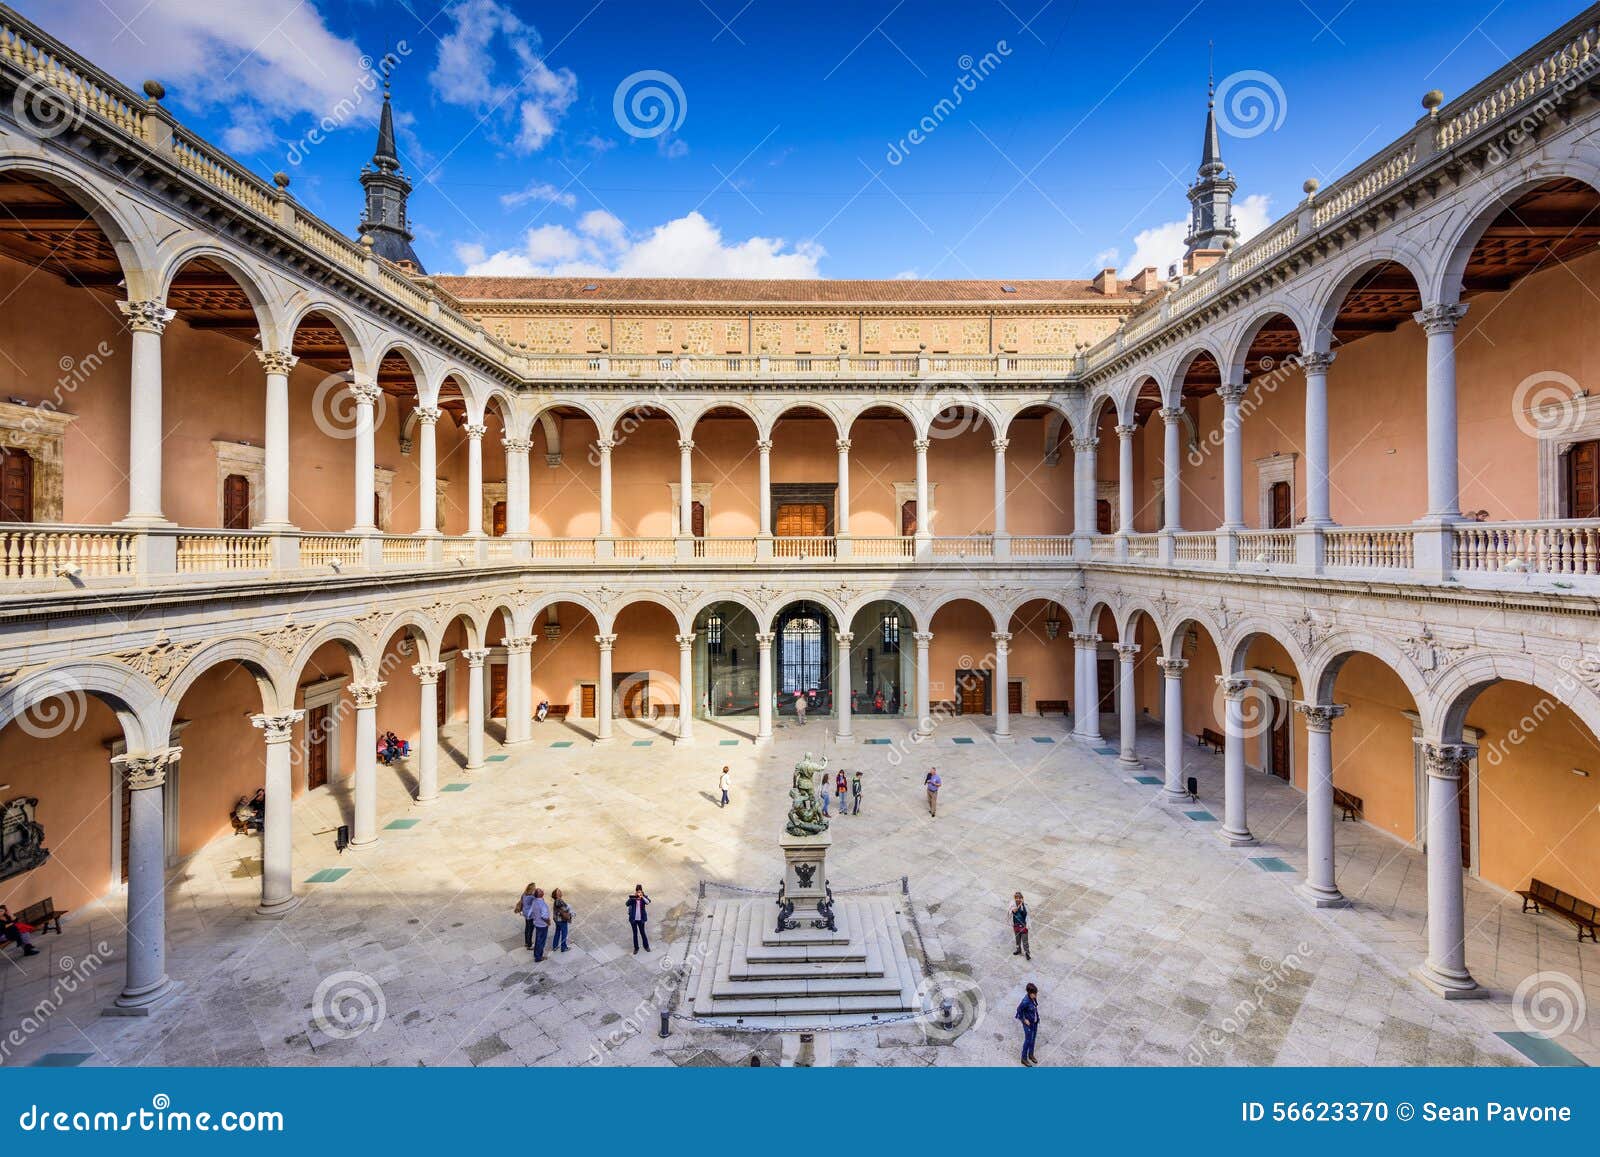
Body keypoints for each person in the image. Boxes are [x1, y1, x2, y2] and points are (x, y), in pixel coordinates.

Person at [1015, 982, 1040, 1066]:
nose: (1036, 995)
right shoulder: (1025, 1001)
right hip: (1028, 1024)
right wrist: (1024, 1019)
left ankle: (1031, 1054)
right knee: (1028, 1040)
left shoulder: (1033, 998)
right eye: (1034, 994)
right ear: (1030, 993)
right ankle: (1024, 1058)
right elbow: (1019, 1010)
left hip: (1034, 1022)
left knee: (1033, 1039)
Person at [513, 883, 540, 952]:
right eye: (534, 888)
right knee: (530, 930)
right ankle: (529, 945)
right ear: (532, 889)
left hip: (525, 913)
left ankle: (526, 942)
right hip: (530, 914)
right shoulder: (531, 897)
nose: (535, 889)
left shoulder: (524, 894)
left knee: (527, 928)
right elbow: (538, 900)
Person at [626, 884, 651, 953]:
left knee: (643, 933)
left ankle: (646, 946)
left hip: (641, 919)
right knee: (635, 933)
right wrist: (632, 898)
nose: (638, 893)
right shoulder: (633, 898)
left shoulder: (644, 898)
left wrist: (642, 897)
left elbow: (648, 902)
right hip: (633, 919)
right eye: (638, 892)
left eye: (640, 892)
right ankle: (636, 948)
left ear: (642, 892)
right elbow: (627, 904)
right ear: (636, 892)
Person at [529, 888, 552, 961]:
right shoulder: (542, 904)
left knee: (538, 940)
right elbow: (544, 916)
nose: (542, 891)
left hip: (537, 924)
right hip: (542, 925)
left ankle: (536, 954)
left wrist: (534, 918)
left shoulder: (534, 901)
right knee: (541, 941)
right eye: (540, 891)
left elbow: (530, 912)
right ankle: (539, 957)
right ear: (539, 894)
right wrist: (548, 922)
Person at [1011, 892, 1031, 960]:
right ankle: (1018, 950)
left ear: (1022, 898)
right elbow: (1014, 910)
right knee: (1017, 940)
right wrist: (1019, 905)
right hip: (1016, 925)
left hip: (1023, 925)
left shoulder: (1025, 905)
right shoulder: (1012, 904)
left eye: (1019, 898)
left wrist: (1022, 904)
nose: (1018, 899)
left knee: (1025, 941)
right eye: (1016, 898)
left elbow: (1025, 913)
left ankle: (1027, 953)